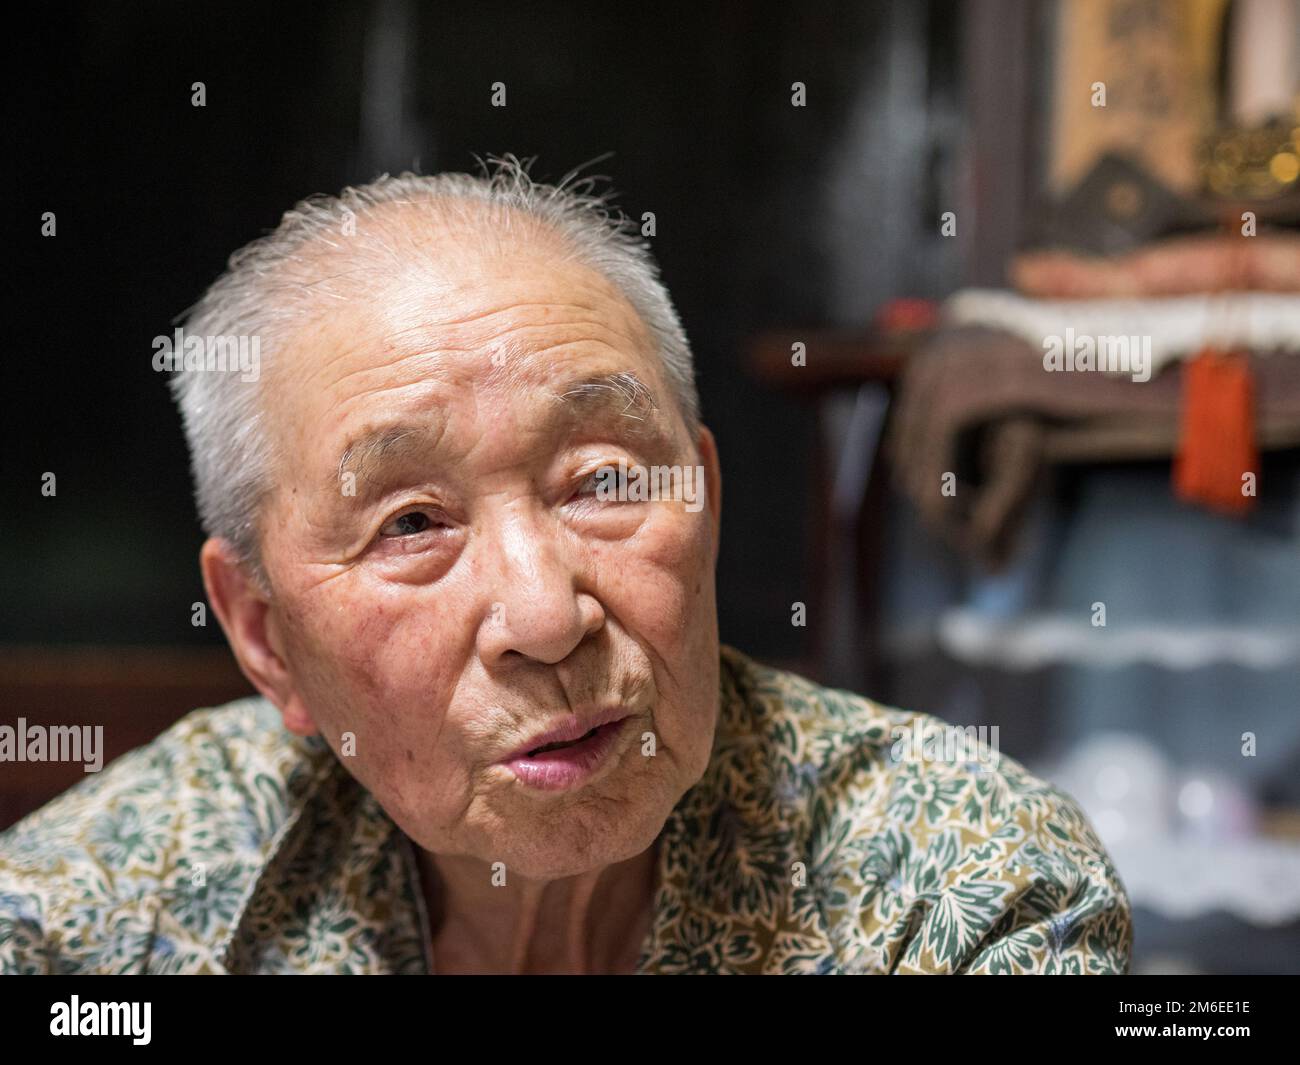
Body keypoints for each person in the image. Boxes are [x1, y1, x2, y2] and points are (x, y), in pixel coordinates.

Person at [0, 157, 1131, 974]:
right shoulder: (122, 899)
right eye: (409, 524)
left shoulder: (961, 889)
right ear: (261, 633)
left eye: (604, 482)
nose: (545, 618)